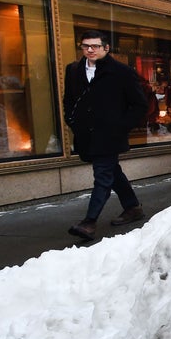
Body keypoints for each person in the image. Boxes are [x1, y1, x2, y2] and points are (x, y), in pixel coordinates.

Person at [62, 30, 148, 240]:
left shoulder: (121, 72)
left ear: (106, 48)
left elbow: (139, 105)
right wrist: (72, 121)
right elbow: (69, 100)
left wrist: (121, 127)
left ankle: (89, 222)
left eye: (95, 46)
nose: (90, 50)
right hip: (86, 135)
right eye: (85, 46)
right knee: (111, 171)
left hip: (110, 135)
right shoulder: (73, 70)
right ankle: (133, 207)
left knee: (102, 176)